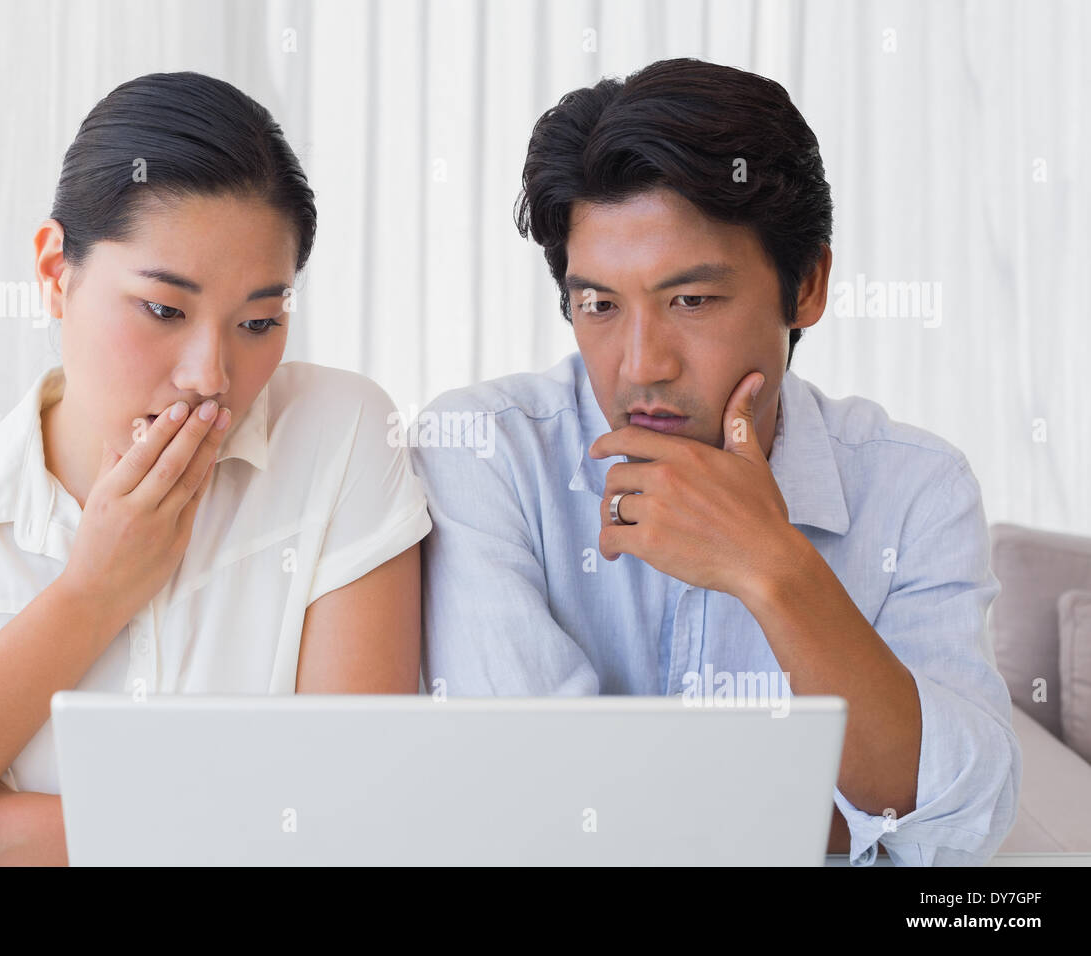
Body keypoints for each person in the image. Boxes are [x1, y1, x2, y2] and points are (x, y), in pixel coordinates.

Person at [0, 72, 431, 866]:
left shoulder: (341, 438)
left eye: (259, 322)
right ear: (56, 272)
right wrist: (91, 596)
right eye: (165, 310)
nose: (211, 374)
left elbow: (352, 822)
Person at [411, 58, 1019, 866]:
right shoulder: (486, 452)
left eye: (690, 301)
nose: (640, 364)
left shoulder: (914, 488)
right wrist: (826, 812)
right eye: (598, 304)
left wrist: (773, 567)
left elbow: (956, 826)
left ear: (807, 285)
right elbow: (534, 805)